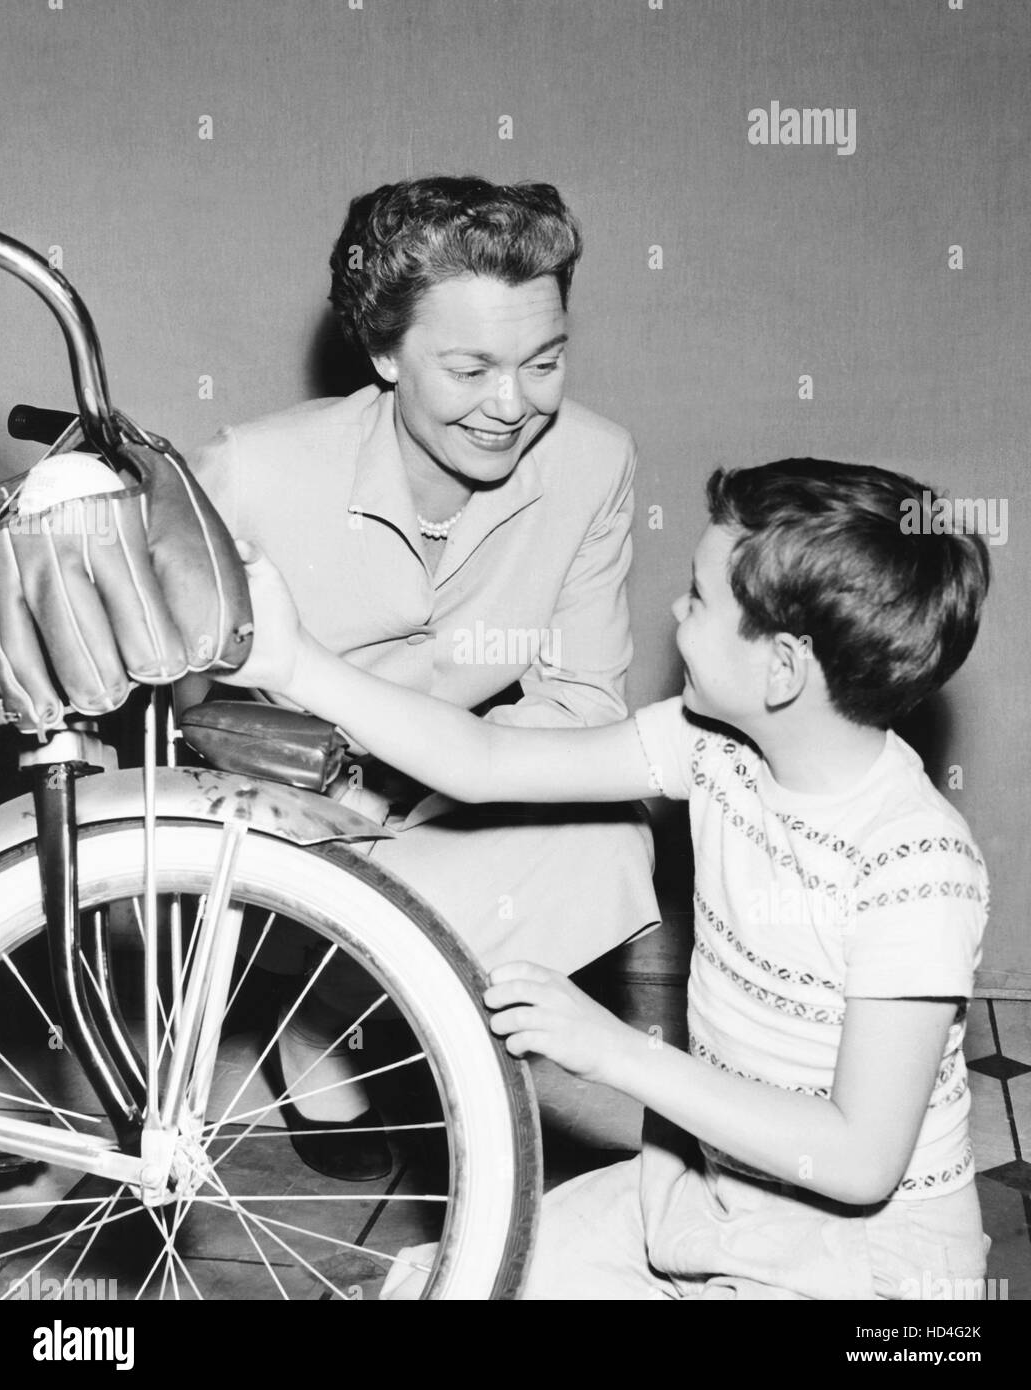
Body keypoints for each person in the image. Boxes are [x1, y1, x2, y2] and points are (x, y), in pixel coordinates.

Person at [222, 456, 992, 1300]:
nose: (674, 609)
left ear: (783, 670)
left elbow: (856, 1161)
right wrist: (295, 664)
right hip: (703, 1189)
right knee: (453, 1283)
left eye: (698, 598)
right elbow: (486, 760)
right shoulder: (717, 750)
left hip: (870, 1262)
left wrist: (614, 1051)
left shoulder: (917, 863)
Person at [183, 176, 659, 1179]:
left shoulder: (596, 463)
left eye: (544, 361)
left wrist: (444, 787)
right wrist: (296, 787)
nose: (511, 404)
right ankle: (325, 1001)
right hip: (273, 795)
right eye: (470, 365)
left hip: (457, 786)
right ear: (385, 352)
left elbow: (581, 702)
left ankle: (350, 1003)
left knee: (605, 822)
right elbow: (168, 706)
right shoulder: (249, 472)